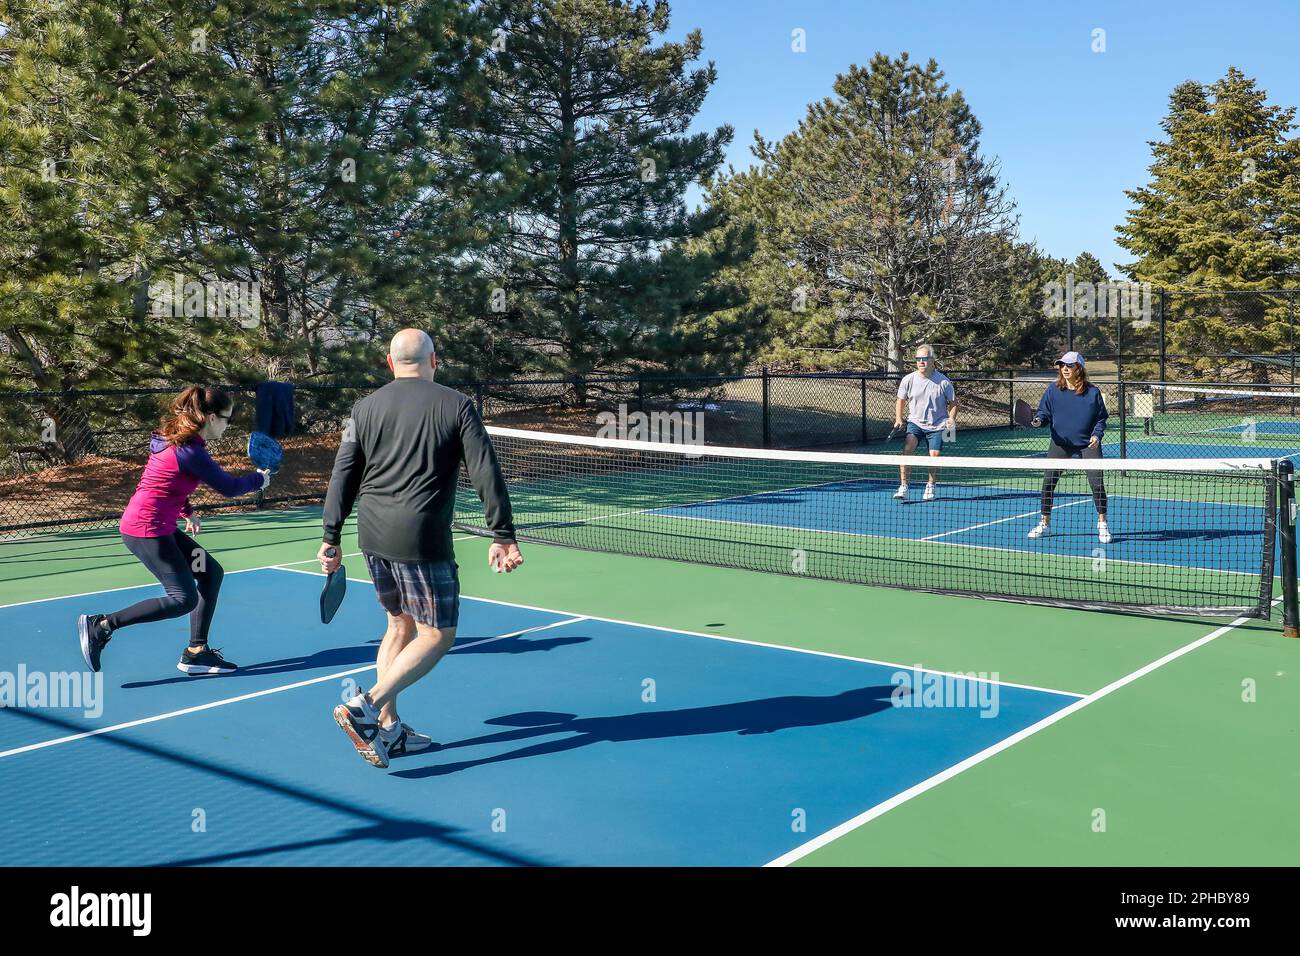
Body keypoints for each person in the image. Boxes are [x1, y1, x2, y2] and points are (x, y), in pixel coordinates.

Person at [323, 329, 524, 769]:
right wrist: (502, 533)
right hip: (421, 537)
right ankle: (366, 707)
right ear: (435, 360)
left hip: (371, 534)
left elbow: (343, 475)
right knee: (437, 633)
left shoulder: (363, 408)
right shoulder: (457, 404)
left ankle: (390, 730)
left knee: (399, 626)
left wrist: (330, 536)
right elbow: (485, 471)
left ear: (389, 363)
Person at [77, 386, 271, 675]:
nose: (228, 425)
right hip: (146, 531)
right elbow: (229, 487)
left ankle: (196, 652)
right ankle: (102, 625)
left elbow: (167, 482)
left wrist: (187, 512)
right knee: (183, 598)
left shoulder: (176, 441)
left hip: (160, 526)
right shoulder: (190, 450)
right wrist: (259, 480)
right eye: (227, 419)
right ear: (209, 417)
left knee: (210, 573)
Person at [1027, 351, 1111, 544]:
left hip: (1087, 444)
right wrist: (1039, 420)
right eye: (1062, 365)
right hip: (1060, 444)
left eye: (1069, 365)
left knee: (1097, 484)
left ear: (1079, 368)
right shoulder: (1053, 390)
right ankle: (1045, 524)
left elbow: (1101, 418)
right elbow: (1043, 412)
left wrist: (1097, 435)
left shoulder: (1093, 393)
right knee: (1048, 484)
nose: (1065, 368)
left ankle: (1102, 525)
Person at [893, 344, 958, 500]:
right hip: (915, 423)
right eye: (918, 359)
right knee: (907, 450)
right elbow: (900, 400)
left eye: (924, 358)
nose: (921, 362)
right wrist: (898, 418)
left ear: (932, 360)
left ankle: (930, 486)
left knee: (934, 455)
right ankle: (903, 487)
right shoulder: (908, 380)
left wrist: (951, 419)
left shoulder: (943, 382)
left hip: (937, 425)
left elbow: (954, 403)